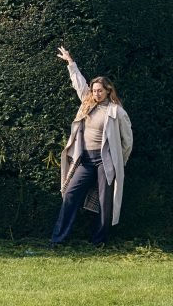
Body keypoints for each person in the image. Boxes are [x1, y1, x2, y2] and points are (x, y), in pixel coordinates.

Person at [50, 45, 135, 246]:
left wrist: (118, 162)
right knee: (70, 194)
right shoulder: (86, 103)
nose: (95, 93)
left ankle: (99, 242)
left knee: (105, 202)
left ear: (107, 91)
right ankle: (58, 240)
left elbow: (127, 141)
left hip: (105, 162)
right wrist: (71, 63)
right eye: (94, 90)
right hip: (85, 160)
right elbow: (79, 83)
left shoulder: (116, 112)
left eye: (99, 90)